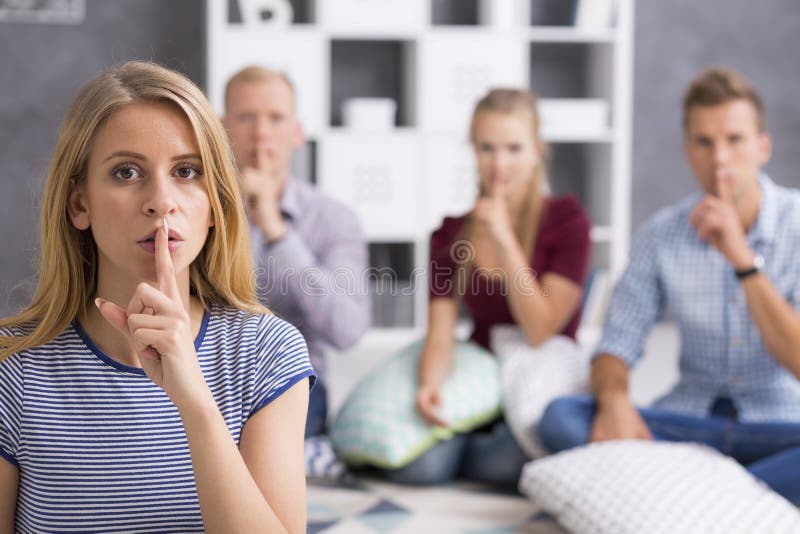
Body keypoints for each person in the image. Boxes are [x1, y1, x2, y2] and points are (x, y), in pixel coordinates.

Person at [0, 61, 316, 532]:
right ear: (79, 204)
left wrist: (192, 398)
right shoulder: (15, 367)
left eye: (187, 171)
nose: (161, 201)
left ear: (216, 204)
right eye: (126, 172)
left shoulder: (268, 354)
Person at [538, 67, 800, 505]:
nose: (720, 158)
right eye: (705, 142)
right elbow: (615, 345)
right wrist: (614, 397)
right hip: (688, 425)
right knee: (562, 419)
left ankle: (685, 494)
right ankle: (737, 496)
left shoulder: (796, 225)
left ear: (762, 147)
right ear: (687, 153)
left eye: (734, 140)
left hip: (780, 427)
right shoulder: (660, 235)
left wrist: (743, 263)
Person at [382, 88, 591, 487]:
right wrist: (430, 385)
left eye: (514, 148)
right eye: (487, 148)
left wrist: (505, 241)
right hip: (484, 374)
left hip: (543, 376)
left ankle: (483, 449)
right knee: (420, 468)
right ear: (473, 151)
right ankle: (477, 444)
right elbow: (441, 334)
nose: (500, 164)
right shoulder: (449, 235)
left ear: (537, 150)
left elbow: (540, 329)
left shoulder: (568, 222)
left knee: (519, 454)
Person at [222, 66, 370, 438]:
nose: (261, 133)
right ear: (221, 130)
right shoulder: (197, 211)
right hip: (209, 382)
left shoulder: (334, 219)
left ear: (297, 132)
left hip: (295, 387)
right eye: (245, 118)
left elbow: (347, 331)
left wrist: (275, 228)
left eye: (275, 118)